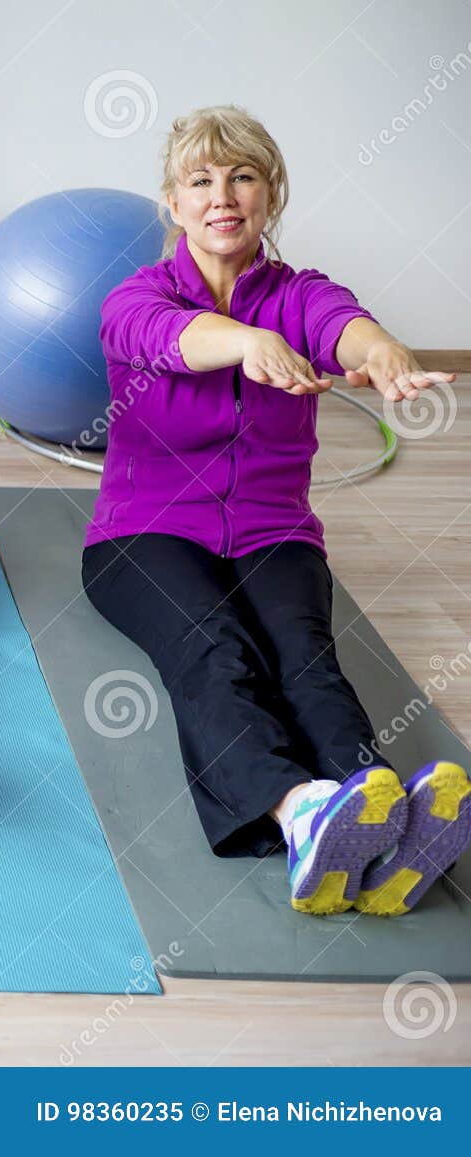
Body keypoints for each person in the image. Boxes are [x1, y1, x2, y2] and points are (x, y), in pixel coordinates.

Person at [83, 104, 469, 915]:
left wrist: (385, 352)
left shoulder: (301, 294)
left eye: (243, 176)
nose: (223, 195)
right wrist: (246, 341)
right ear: (175, 201)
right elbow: (168, 338)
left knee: (304, 655)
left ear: (270, 193)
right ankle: (300, 816)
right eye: (202, 180)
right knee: (216, 648)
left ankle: (383, 819)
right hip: (143, 532)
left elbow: (344, 328)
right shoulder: (136, 297)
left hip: (273, 530)